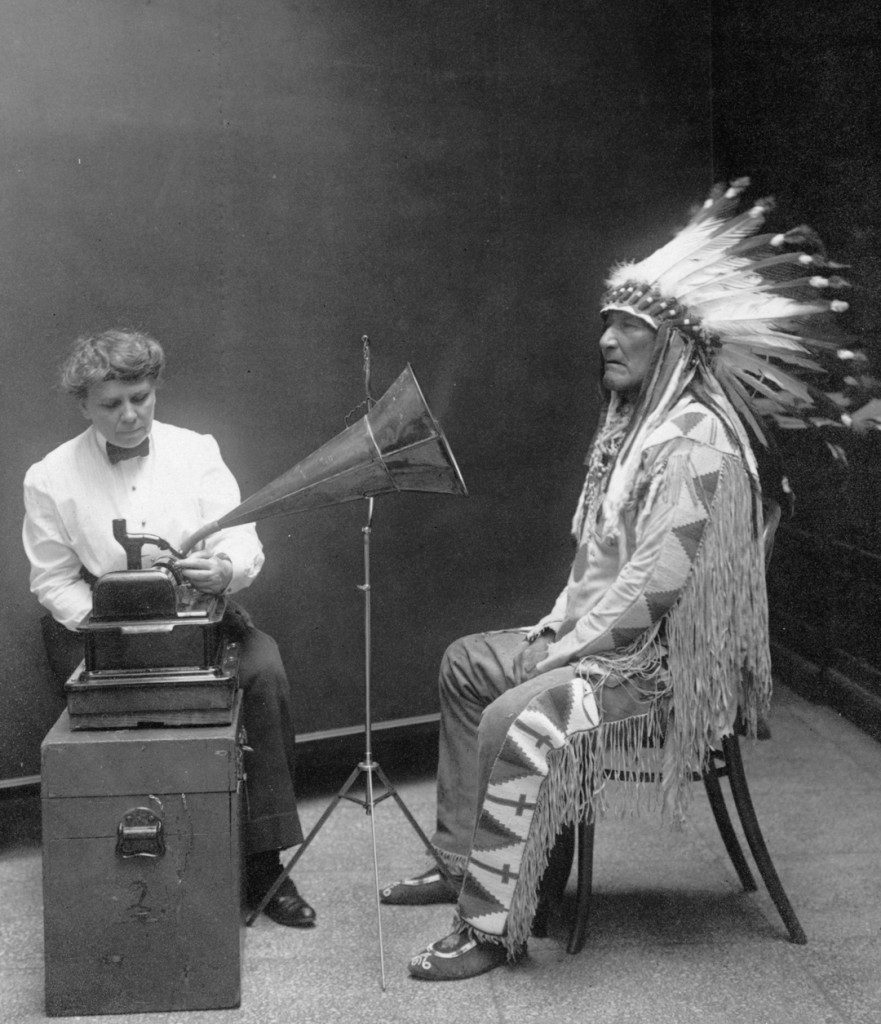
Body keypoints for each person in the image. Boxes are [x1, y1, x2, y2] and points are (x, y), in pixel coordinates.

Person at [381, 179, 855, 980]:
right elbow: (602, 559)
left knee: (517, 714)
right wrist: (556, 628)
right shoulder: (637, 428)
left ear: (670, 346)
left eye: (628, 325)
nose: (605, 337)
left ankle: (494, 925)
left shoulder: (696, 443)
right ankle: (464, 861)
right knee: (469, 662)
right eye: (606, 320)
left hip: (665, 672)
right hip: (612, 646)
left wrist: (564, 650)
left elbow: (653, 590)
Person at [23, 329, 315, 928]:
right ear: (84, 406)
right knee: (115, 710)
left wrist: (225, 568)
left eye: (141, 397)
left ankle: (264, 863)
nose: (130, 415)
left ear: (154, 389)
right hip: (105, 632)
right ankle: (136, 865)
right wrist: (109, 621)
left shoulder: (197, 451)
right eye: (111, 405)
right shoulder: (49, 477)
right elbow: (51, 579)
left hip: (200, 614)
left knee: (262, 673)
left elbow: (240, 534)